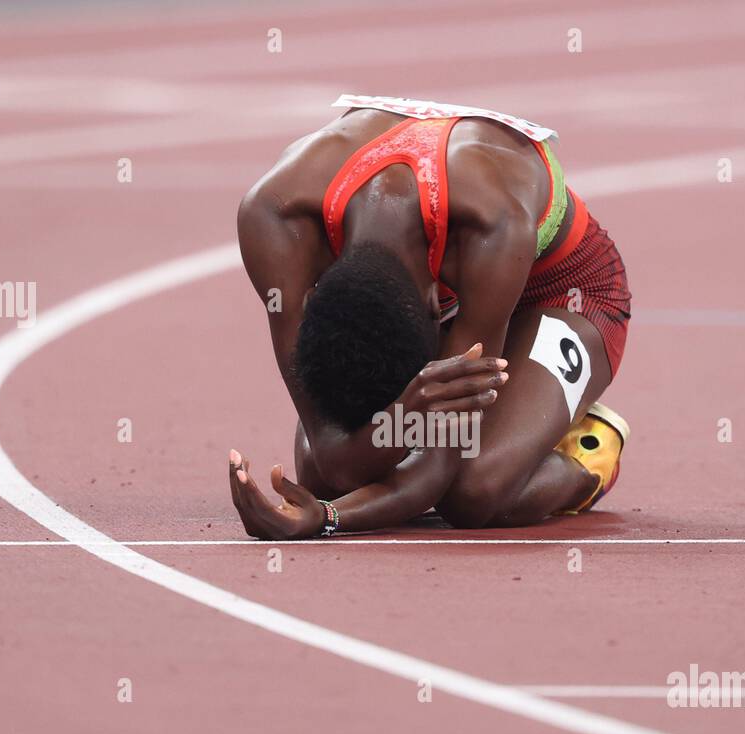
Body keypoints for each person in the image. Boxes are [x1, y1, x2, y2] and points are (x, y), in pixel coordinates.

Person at [231, 95, 631, 539]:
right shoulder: (273, 215)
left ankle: (586, 455)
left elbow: (435, 467)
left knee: (474, 492)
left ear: (435, 303)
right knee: (320, 474)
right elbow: (330, 457)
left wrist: (329, 517)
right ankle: (512, 412)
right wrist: (401, 416)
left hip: (563, 294)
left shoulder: (490, 223)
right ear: (313, 297)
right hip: (455, 291)